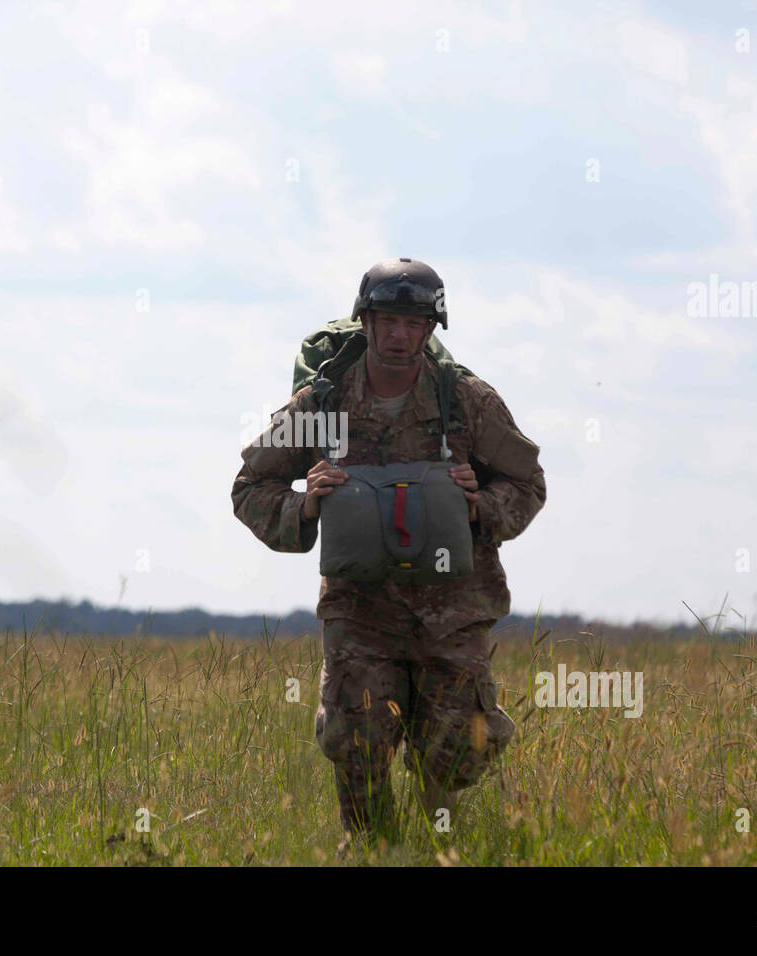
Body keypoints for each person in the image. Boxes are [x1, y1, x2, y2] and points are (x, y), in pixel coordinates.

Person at [230, 257, 547, 853]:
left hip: (454, 608)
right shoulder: (320, 406)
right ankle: (375, 851)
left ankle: (440, 835)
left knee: (461, 747)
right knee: (357, 740)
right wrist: (305, 508)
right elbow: (250, 485)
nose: (400, 335)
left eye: (413, 322)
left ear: (431, 329)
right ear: (366, 323)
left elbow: (528, 483)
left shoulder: (467, 403)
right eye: (388, 321)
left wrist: (482, 507)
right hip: (361, 611)